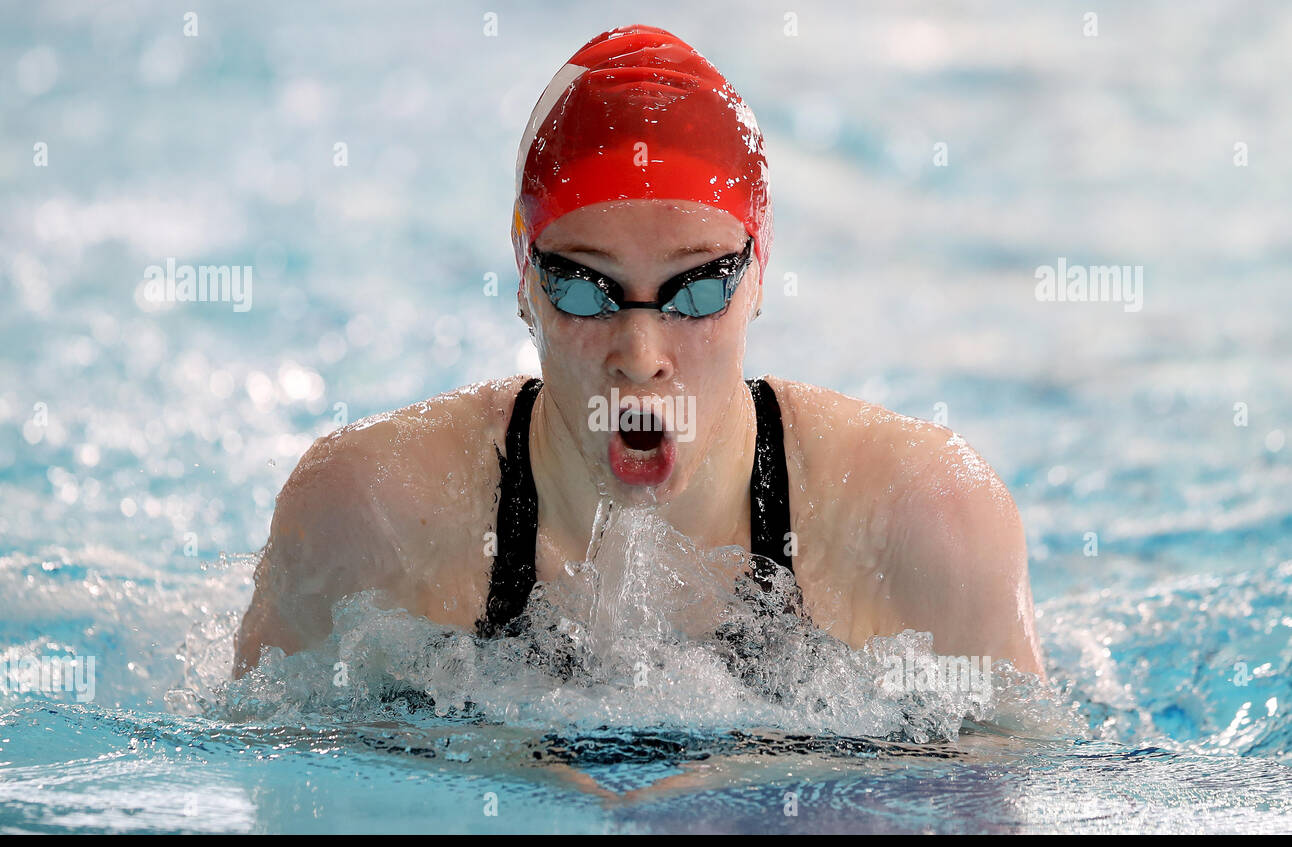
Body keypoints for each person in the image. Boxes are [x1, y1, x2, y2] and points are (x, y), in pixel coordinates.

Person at [233, 24, 1045, 680]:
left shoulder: (925, 526)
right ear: (524, 280)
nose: (641, 352)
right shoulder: (367, 518)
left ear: (759, 275)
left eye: (697, 288)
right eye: (585, 287)